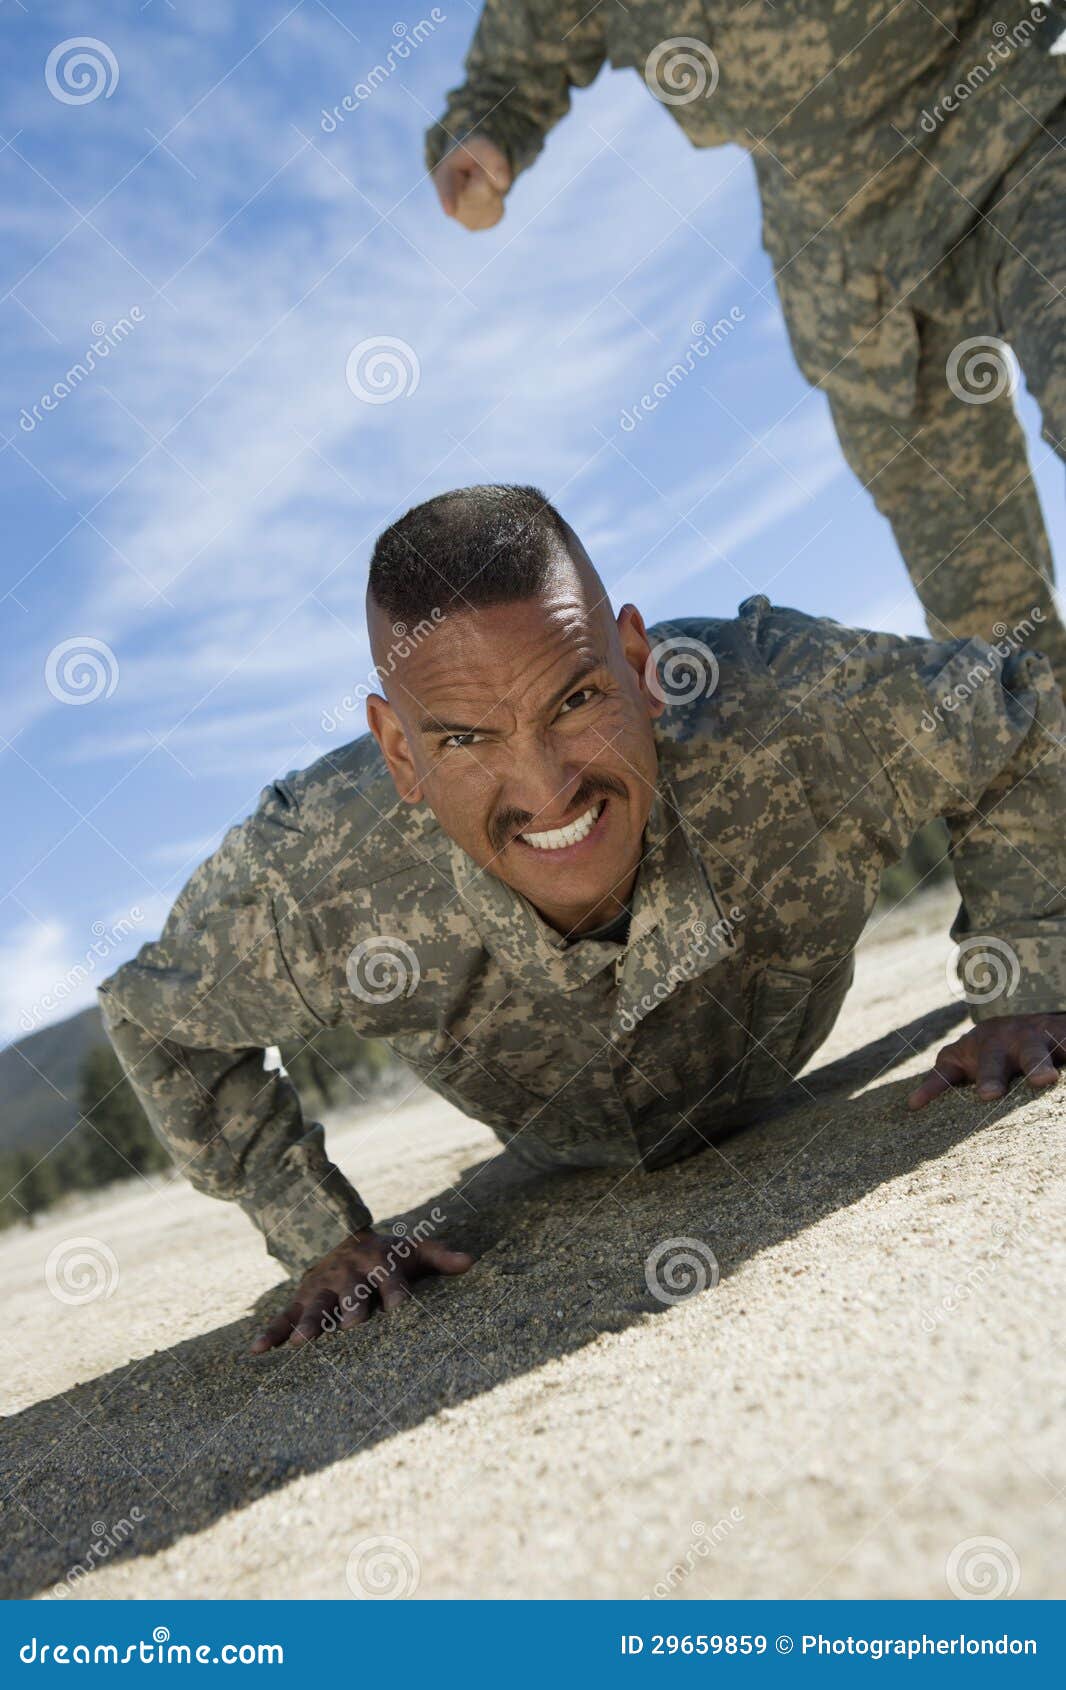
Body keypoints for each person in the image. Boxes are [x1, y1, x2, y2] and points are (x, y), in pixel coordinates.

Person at [98, 485, 1066, 1351]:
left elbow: (1019, 711)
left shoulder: (780, 703)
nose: (547, 787)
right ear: (398, 752)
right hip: (550, 1150)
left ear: (640, 663)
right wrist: (323, 1236)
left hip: (778, 1061)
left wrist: (1029, 982)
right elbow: (151, 1016)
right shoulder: (319, 876)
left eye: (577, 699)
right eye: (464, 738)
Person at [427, 3, 1066, 681]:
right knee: (990, 627)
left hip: (1010, 123)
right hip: (844, 260)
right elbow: (518, 52)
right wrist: (486, 134)